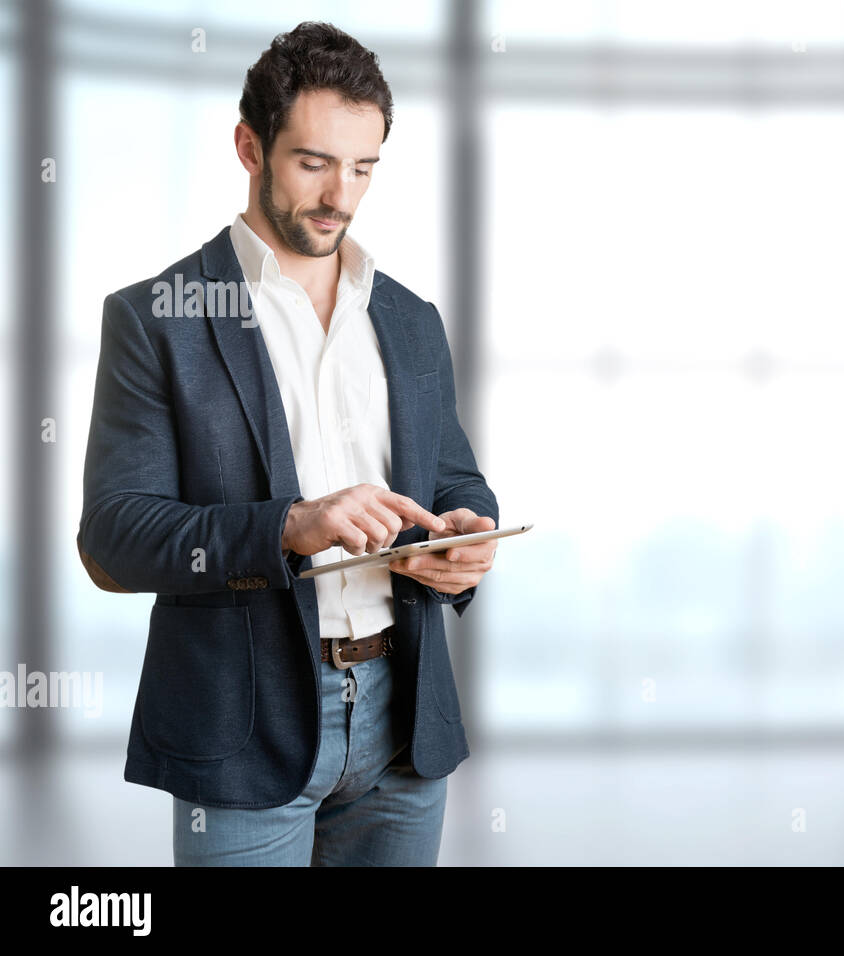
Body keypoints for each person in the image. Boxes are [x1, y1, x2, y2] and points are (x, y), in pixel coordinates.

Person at [75, 21, 498, 866]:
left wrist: (466, 535)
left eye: (364, 167)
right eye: (313, 162)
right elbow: (114, 540)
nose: (341, 193)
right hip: (242, 726)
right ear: (249, 146)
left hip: (407, 718)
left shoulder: (411, 320)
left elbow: (458, 477)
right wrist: (290, 525)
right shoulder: (157, 319)